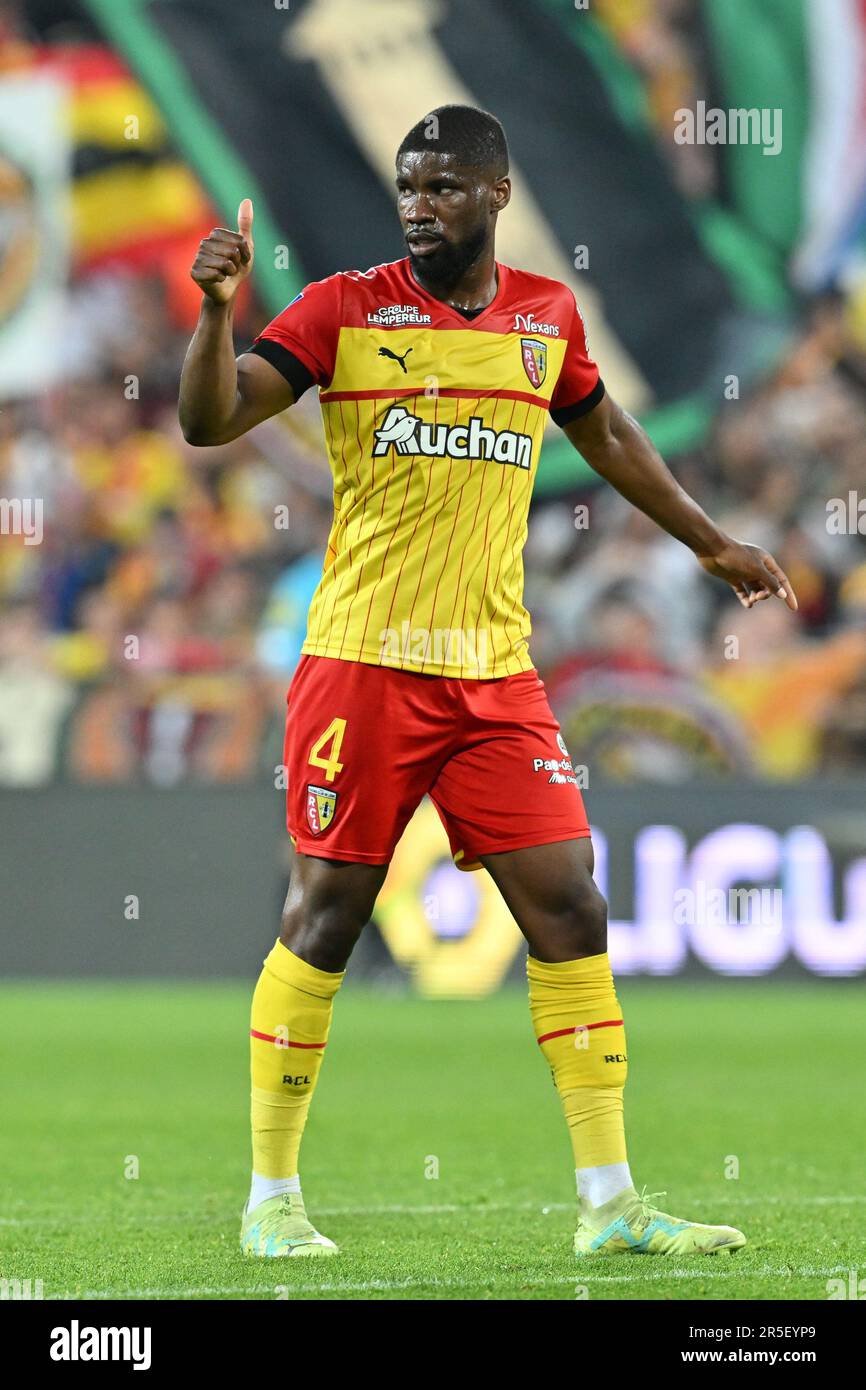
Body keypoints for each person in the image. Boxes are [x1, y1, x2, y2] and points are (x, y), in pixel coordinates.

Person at [179, 105, 797, 1260]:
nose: (419, 207)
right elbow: (210, 419)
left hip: (493, 674)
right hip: (363, 663)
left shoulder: (542, 316)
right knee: (326, 916)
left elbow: (605, 432)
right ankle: (270, 1198)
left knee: (570, 904)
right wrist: (217, 315)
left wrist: (708, 541)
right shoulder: (342, 310)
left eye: (443, 187)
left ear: (496, 193)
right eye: (407, 188)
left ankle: (609, 1202)